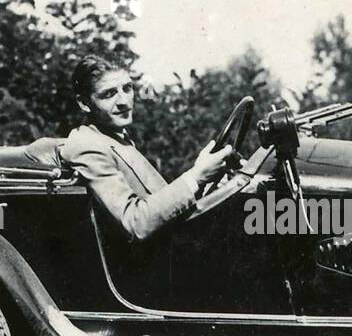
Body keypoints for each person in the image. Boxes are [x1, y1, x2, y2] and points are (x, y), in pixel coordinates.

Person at [60, 55, 234, 240]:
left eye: (127, 88)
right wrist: (196, 176)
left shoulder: (114, 138)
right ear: (84, 103)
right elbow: (134, 221)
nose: (124, 101)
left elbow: (159, 206)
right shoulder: (87, 145)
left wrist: (206, 184)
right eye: (109, 94)